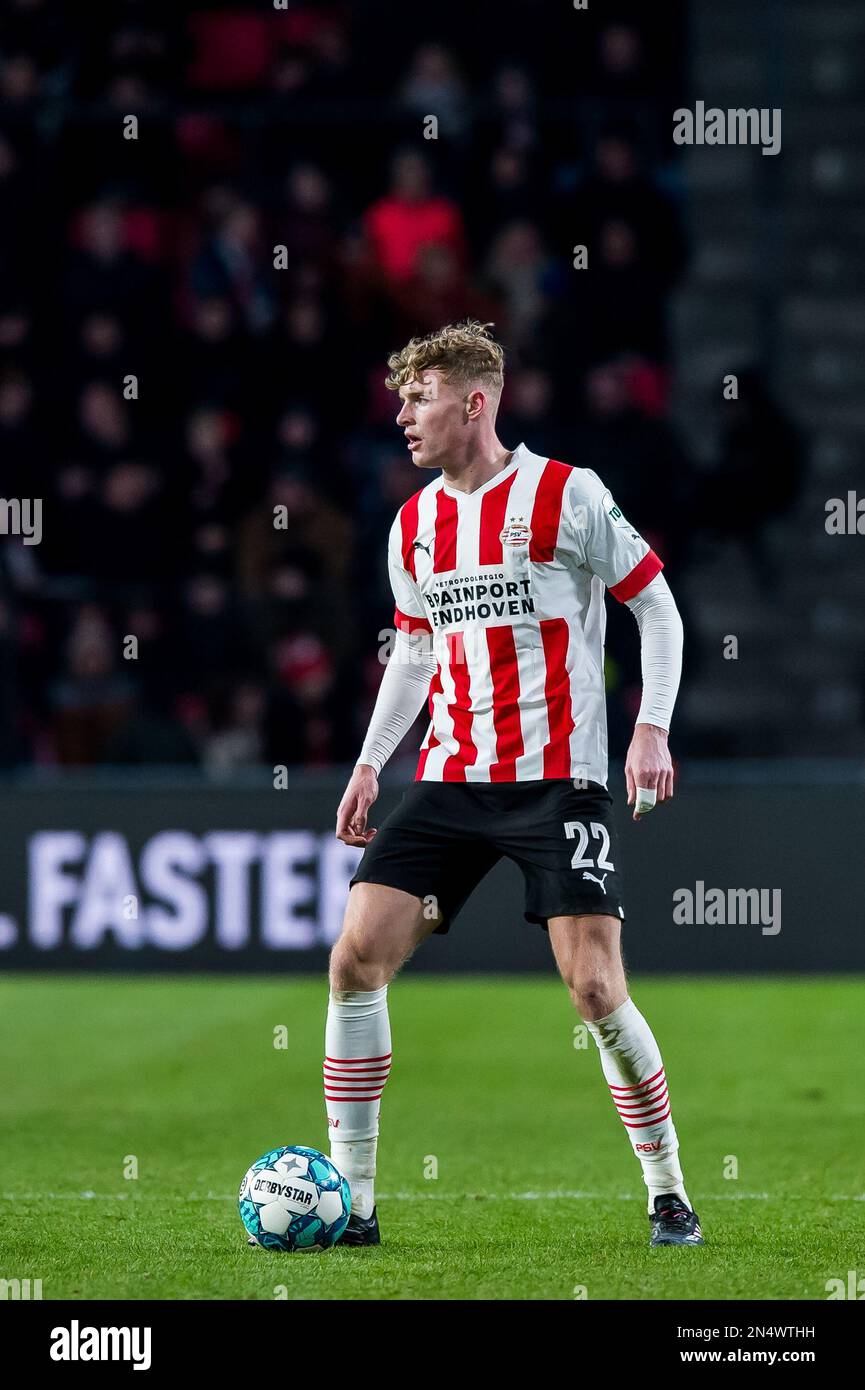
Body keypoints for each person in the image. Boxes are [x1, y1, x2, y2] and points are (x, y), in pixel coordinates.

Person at [325, 321, 701, 1249]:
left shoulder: (567, 494)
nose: (403, 416)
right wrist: (373, 761)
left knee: (593, 990)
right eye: (401, 399)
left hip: (558, 784)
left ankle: (667, 1190)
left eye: (419, 398)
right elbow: (414, 654)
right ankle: (354, 1205)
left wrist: (649, 724)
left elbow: (655, 606)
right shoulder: (412, 524)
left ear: (474, 403)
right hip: (451, 778)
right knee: (353, 960)